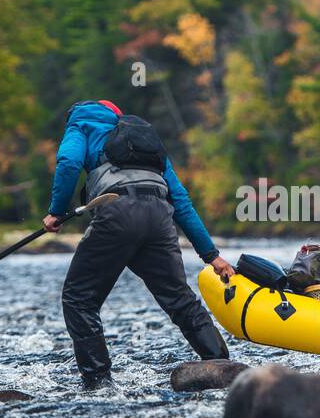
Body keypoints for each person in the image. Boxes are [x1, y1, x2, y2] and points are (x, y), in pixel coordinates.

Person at [43, 99, 235, 388]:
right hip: (159, 218)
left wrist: (57, 211)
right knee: (180, 299)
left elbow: (69, 162)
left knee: (78, 298)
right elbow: (180, 200)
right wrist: (211, 255)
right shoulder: (144, 138)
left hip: (118, 214)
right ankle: (226, 368)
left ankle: (99, 384)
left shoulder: (81, 123)